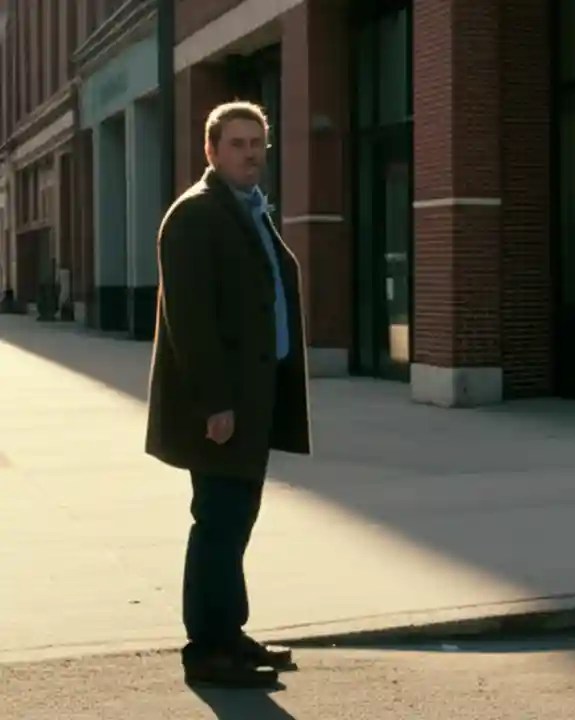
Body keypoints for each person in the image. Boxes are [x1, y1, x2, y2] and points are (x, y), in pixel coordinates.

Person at [145, 101, 311, 688]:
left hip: (254, 399)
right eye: (237, 144)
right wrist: (215, 403)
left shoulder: (248, 209)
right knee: (217, 521)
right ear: (211, 150)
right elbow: (191, 320)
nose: (251, 154)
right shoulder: (195, 215)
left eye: (257, 143)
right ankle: (207, 649)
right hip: (222, 407)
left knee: (236, 519)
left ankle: (228, 633)